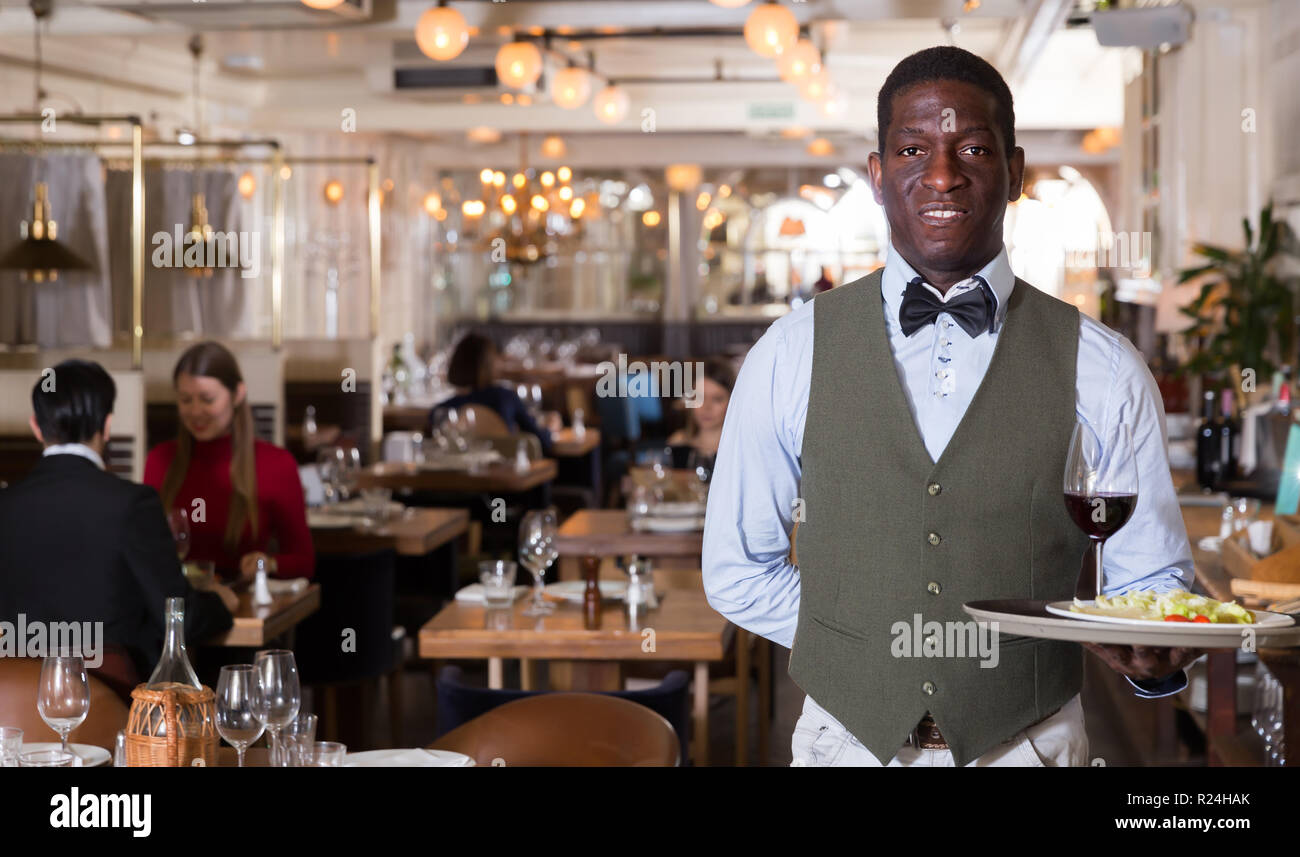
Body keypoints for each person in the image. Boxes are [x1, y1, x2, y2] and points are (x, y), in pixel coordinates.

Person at [702, 45, 1198, 768]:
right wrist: (860, 646)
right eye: (913, 149)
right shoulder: (789, 352)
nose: (942, 174)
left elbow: (1149, 577)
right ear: (878, 176)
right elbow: (738, 567)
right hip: (845, 747)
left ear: (1015, 172)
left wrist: (1153, 645)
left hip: (1031, 748)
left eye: (972, 148)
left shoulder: (1105, 367)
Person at [0, 360, 236, 700]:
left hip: (17, 711)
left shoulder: (5, 505)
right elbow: (178, 619)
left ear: (36, 427)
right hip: (112, 708)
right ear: (107, 425)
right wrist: (220, 601)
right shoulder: (133, 504)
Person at [144, 342, 314, 581]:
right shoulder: (159, 460)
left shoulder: (276, 464)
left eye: (207, 399)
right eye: (185, 400)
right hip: (176, 598)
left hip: (240, 598)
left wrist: (266, 563)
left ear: (238, 394)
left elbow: (304, 561)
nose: (195, 411)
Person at [430, 333, 560, 455]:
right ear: (490, 364)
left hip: (460, 471)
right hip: (507, 469)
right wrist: (550, 428)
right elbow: (541, 441)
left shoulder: (443, 410)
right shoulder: (504, 398)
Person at [667, 356, 736, 473]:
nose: (707, 407)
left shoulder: (738, 450)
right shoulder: (677, 444)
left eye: (717, 399)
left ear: (732, 402)